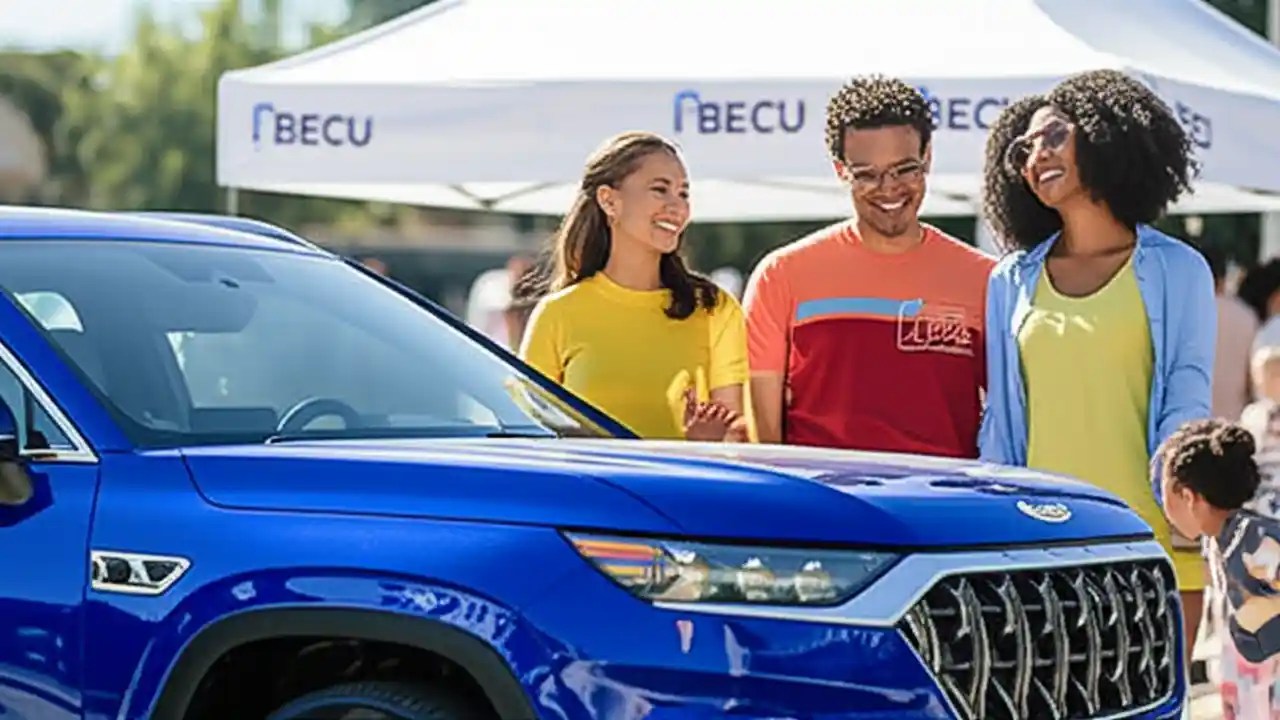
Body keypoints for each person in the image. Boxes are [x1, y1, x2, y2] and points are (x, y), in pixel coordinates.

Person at [979, 68, 1216, 659]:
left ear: (1105, 135)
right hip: (1035, 548)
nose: (1036, 156)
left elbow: (1188, 403)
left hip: (1151, 543)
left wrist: (1189, 524)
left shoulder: (1179, 270)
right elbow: (1002, 429)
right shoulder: (1009, 280)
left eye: (1053, 135)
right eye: (1023, 149)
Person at [742, 75, 995, 455]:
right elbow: (764, 441)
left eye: (905, 169)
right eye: (867, 174)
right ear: (840, 170)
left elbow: (1011, 416)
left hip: (942, 507)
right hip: (826, 507)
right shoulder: (782, 276)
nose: (889, 188)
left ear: (927, 157)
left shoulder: (986, 279)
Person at [517, 130, 749, 442]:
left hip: (684, 491)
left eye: (683, 193)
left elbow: (738, 437)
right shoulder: (557, 315)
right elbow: (530, 436)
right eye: (660, 190)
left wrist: (705, 444)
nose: (677, 207)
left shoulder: (713, 307)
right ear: (609, 200)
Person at [1157, 418, 1280, 718]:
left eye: (1165, 495)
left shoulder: (1255, 540)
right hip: (1246, 689)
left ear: (1188, 497)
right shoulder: (1219, 538)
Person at [1201, 245, 1260, 421]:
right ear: (1223, 278)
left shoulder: (1175, 313)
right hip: (1234, 424)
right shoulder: (1246, 316)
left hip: (1185, 426)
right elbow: (1254, 381)